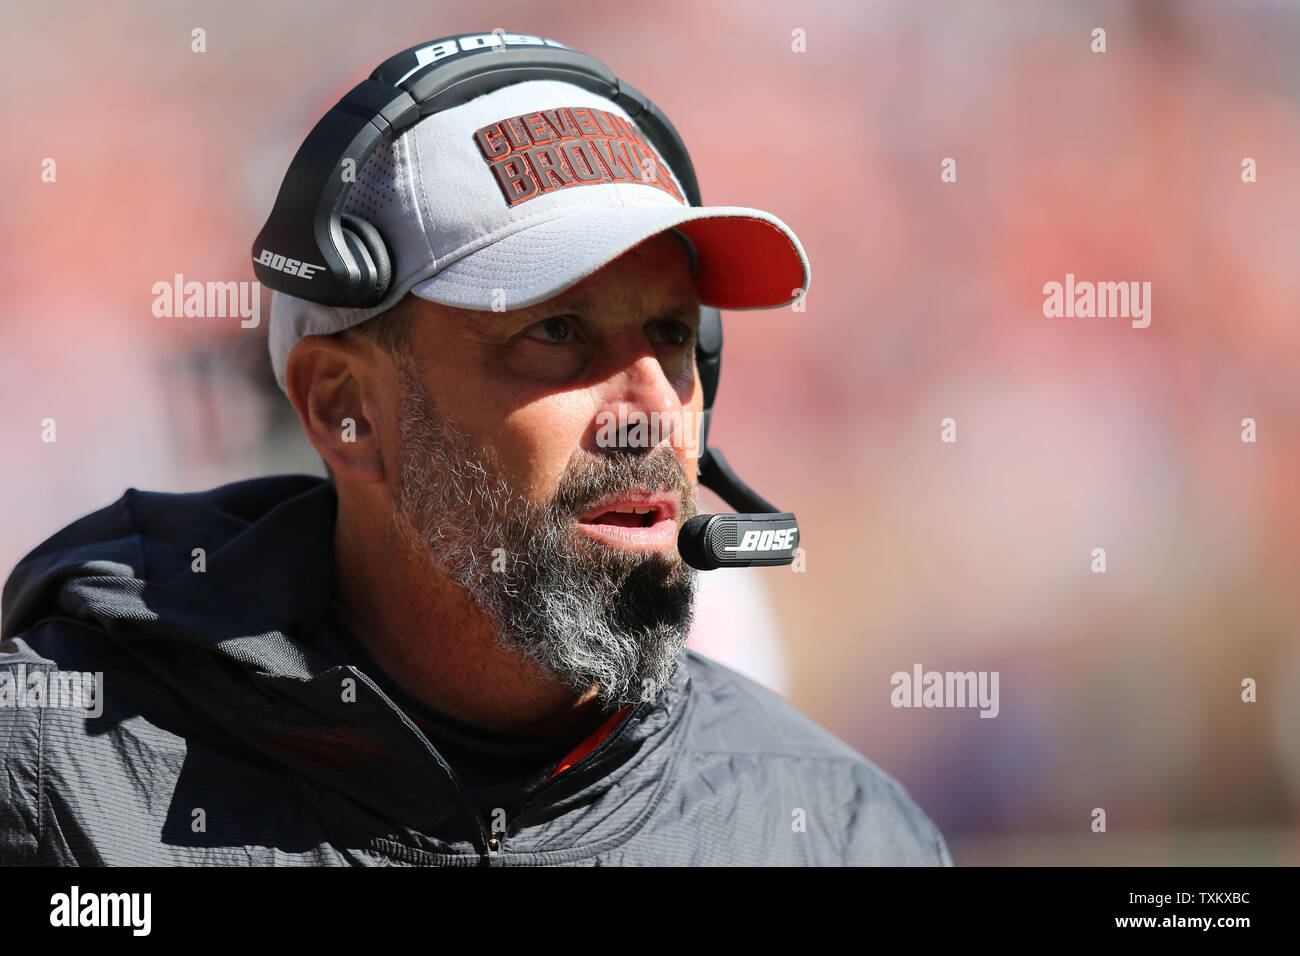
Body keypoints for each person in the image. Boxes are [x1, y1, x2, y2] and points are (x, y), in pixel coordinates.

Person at [0, 38, 951, 865]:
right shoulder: (56, 779)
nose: (654, 411)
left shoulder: (840, 833)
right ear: (343, 409)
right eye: (556, 332)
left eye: (670, 334)